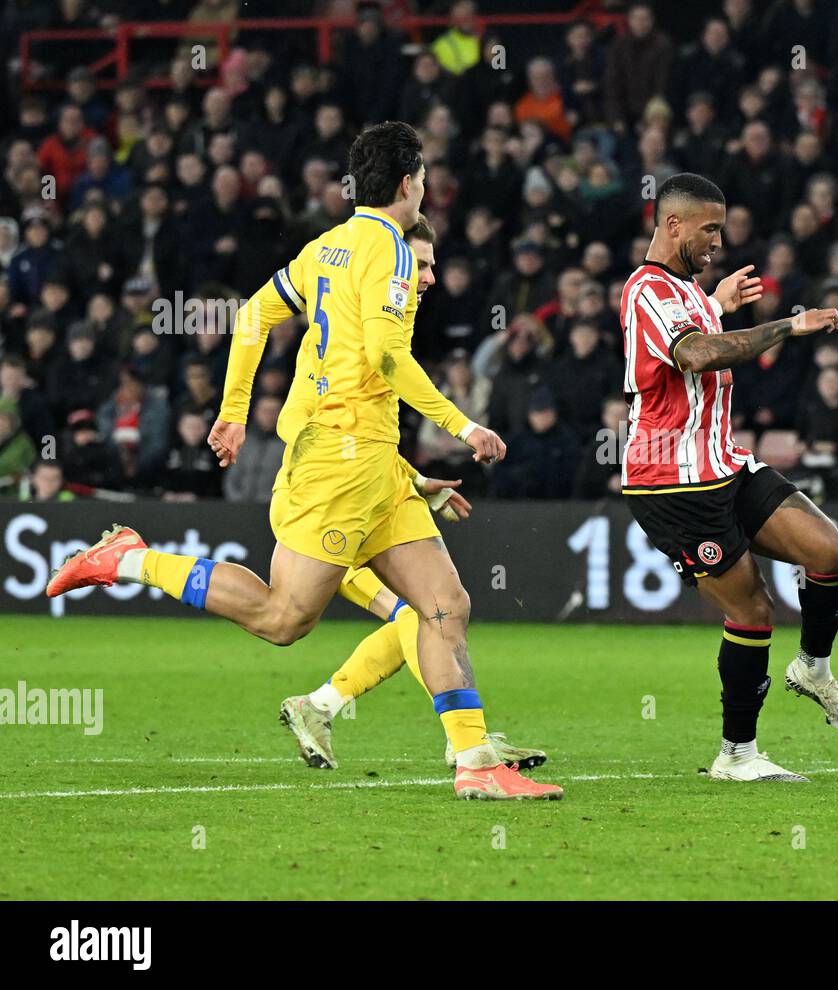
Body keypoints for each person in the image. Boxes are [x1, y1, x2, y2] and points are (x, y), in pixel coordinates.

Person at [46, 122, 559, 801]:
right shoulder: (392, 251)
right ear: (409, 183)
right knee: (282, 619)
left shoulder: (327, 248)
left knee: (443, 604)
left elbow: (254, 316)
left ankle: (474, 765)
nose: (426, 186)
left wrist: (234, 410)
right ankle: (127, 559)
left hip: (372, 461)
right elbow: (381, 357)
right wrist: (460, 423)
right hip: (336, 467)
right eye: (425, 177)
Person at [621, 172, 838, 784]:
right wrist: (787, 326)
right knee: (753, 610)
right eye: (709, 229)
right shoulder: (645, 289)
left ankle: (812, 667)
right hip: (671, 484)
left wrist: (717, 302)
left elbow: (698, 327)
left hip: (723, 465)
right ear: (672, 224)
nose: (718, 242)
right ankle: (737, 755)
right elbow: (697, 353)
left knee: (830, 551)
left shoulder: (685, 291)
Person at [278, 217, 543, 773]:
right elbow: (333, 442)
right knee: (416, 616)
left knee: (436, 611)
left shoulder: (375, 336)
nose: (426, 277)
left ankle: (330, 709)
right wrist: (462, 429)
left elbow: (366, 443)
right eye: (418, 264)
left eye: (427, 264)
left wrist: (414, 483)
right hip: (331, 512)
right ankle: (450, 739)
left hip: (370, 501)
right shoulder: (333, 358)